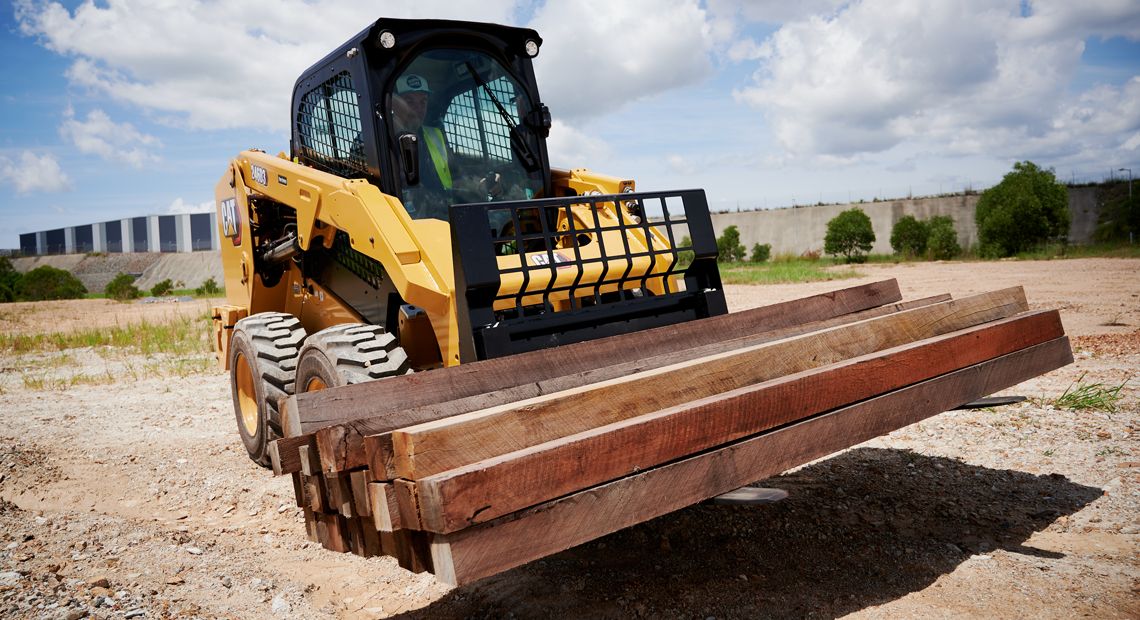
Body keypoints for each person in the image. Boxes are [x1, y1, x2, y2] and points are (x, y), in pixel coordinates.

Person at [391, 74, 454, 219]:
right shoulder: (373, 140)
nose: (418, 109)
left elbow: (456, 174)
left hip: (443, 214)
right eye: (410, 101)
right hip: (401, 220)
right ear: (393, 104)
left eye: (423, 101)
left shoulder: (435, 135)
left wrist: (478, 183)